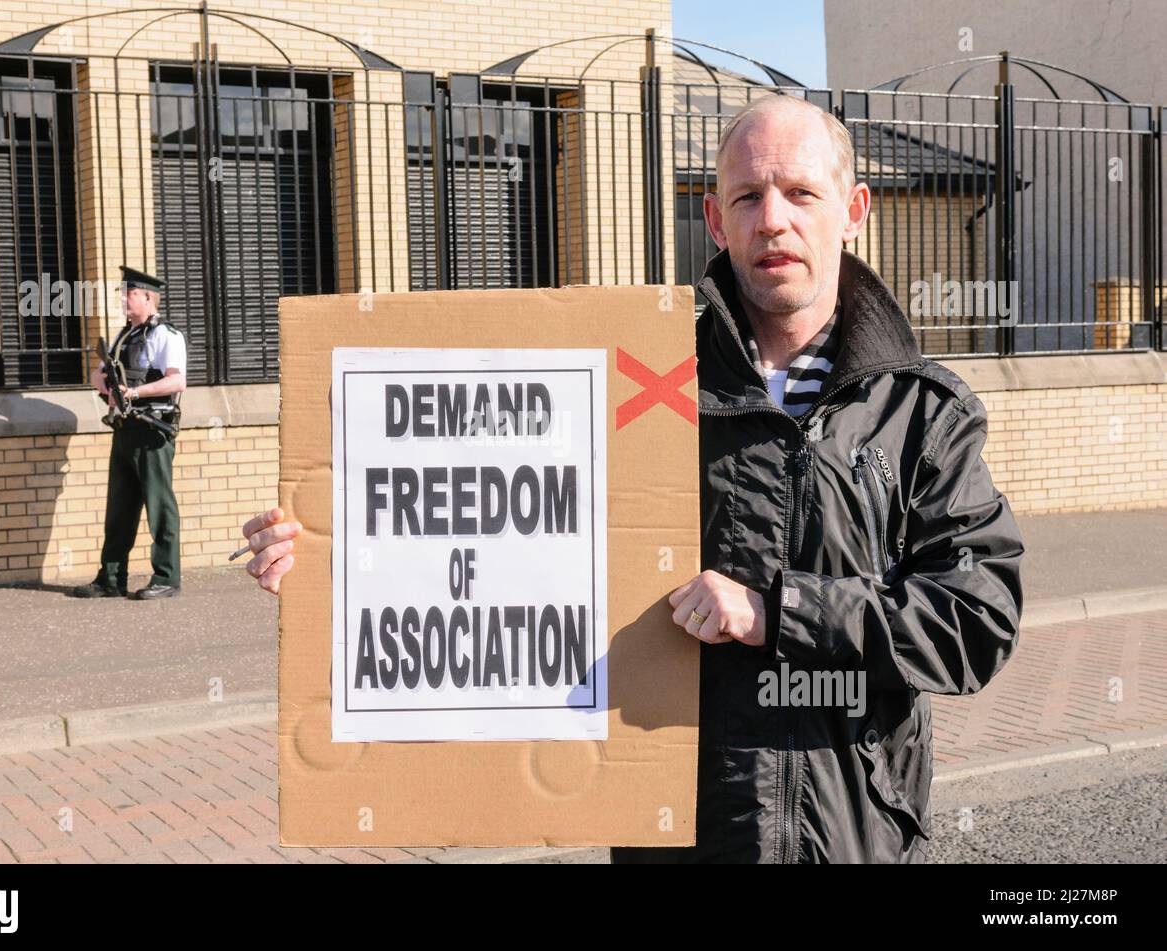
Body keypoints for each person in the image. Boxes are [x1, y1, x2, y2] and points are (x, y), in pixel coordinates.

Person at [239, 94, 1025, 863]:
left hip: (859, 834)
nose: (773, 219)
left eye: (800, 193)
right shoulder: (635, 385)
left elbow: (975, 618)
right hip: (683, 830)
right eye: (747, 196)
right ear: (715, 220)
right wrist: (332, 559)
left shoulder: (924, 410)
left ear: (854, 210)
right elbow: (490, 526)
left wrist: (777, 611)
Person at [73, 266, 187, 600]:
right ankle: (111, 577)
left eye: (129, 294)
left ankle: (167, 576)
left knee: (159, 506)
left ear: (148, 298)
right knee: (119, 508)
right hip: (124, 429)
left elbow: (176, 381)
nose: (123, 299)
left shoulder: (166, 335)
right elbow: (99, 375)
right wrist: (107, 389)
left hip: (152, 431)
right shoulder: (125, 335)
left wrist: (134, 393)